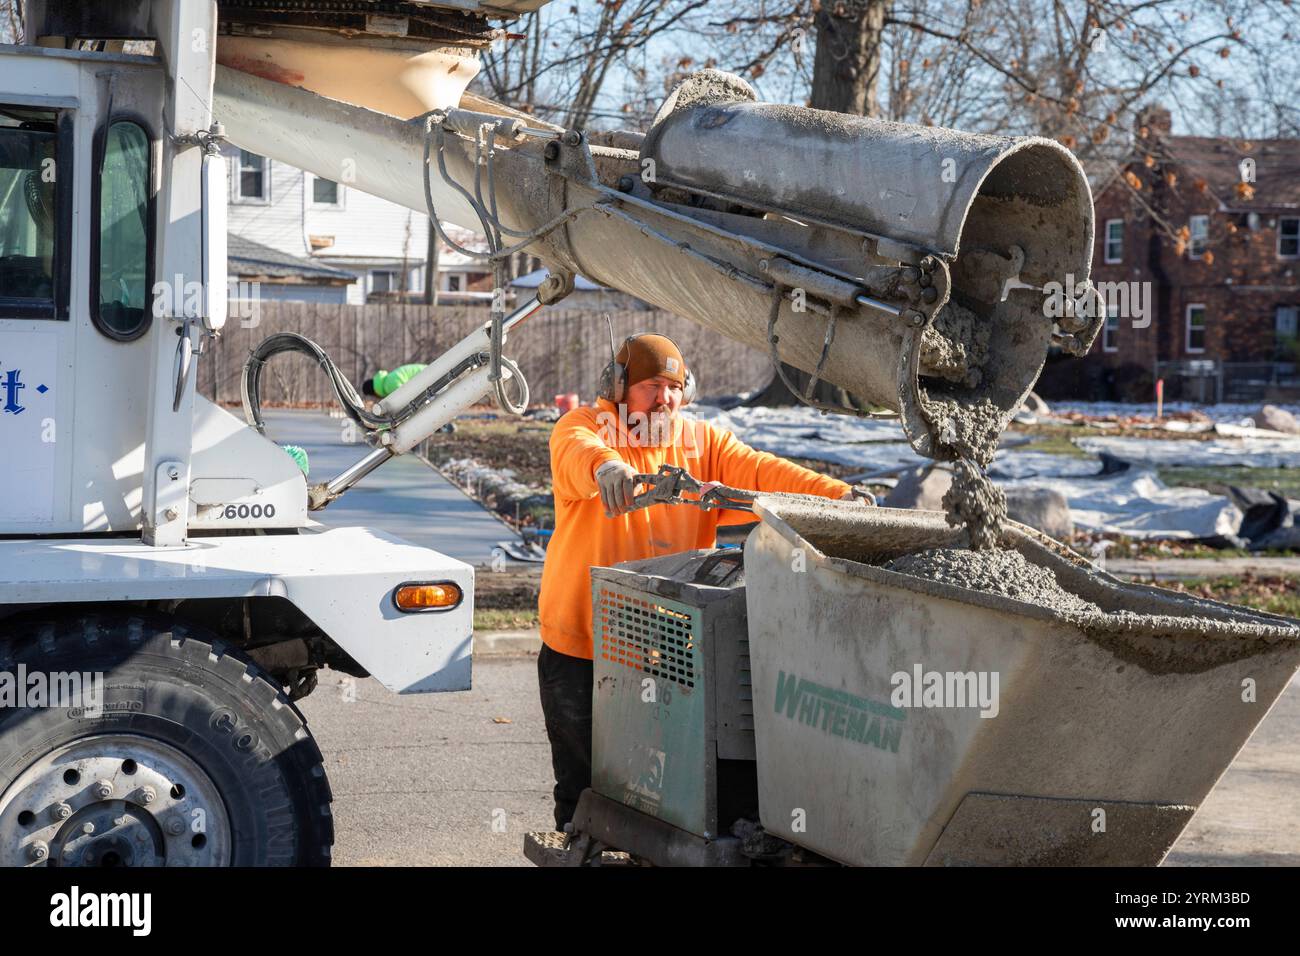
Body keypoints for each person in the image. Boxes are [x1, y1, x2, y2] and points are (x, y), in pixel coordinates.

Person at [535, 332, 869, 830]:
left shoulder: (701, 442)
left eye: (673, 387)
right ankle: (578, 844)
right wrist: (608, 467)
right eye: (650, 386)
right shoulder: (587, 427)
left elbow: (760, 471)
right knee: (585, 787)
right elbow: (578, 450)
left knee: (669, 784)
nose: (664, 398)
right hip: (583, 643)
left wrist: (837, 496)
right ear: (619, 386)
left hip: (666, 646)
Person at [361, 364, 427, 400]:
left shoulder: (388, 385)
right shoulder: (388, 379)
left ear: (374, 392)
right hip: (427, 371)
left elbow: (405, 397)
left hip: (427, 376)